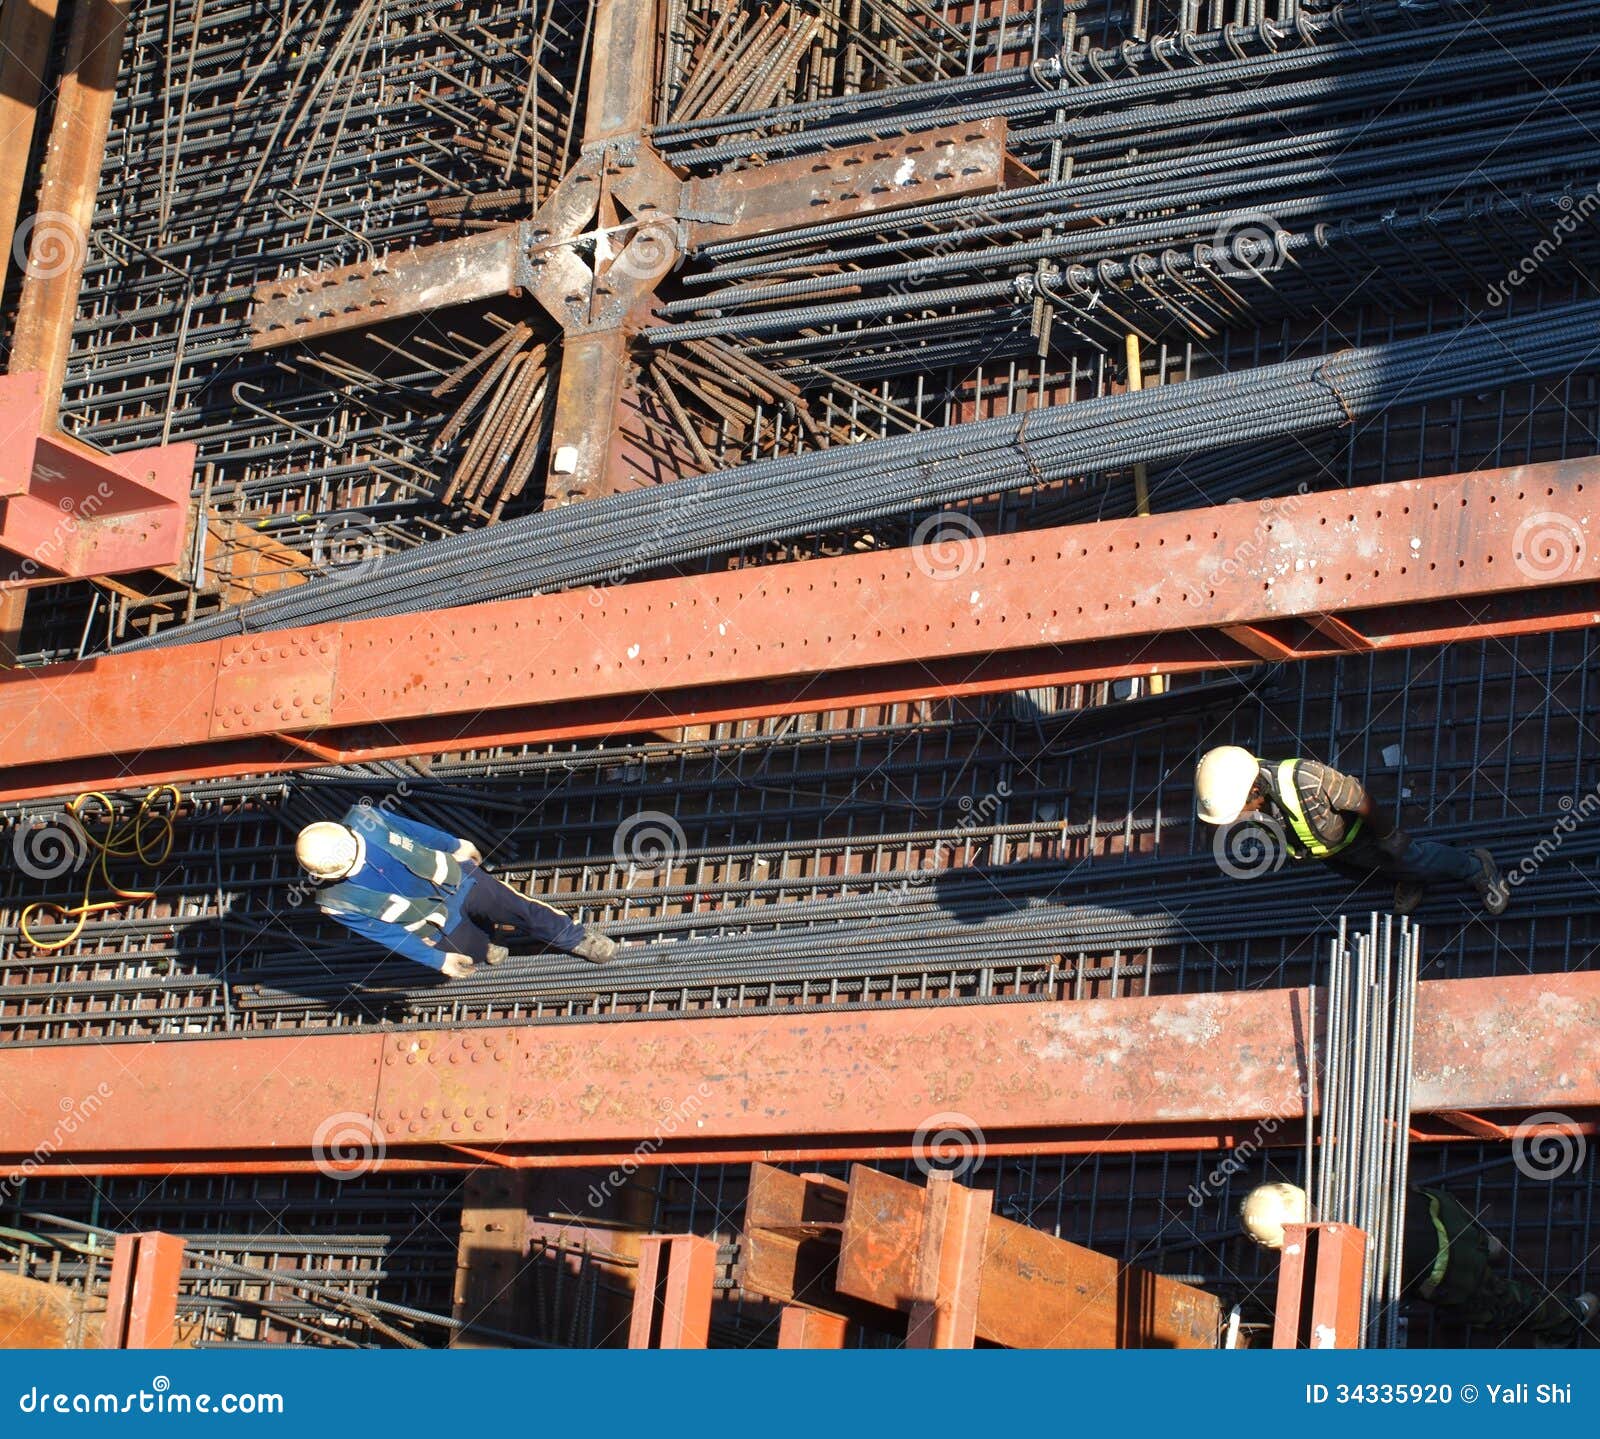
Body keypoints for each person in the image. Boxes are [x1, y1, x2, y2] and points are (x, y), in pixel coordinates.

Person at [1242, 1182, 1598, 1345]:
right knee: (1464, 1235)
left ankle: (1574, 1314)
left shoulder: (1330, 1269)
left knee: (1502, 1305)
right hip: (1444, 1213)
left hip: (1449, 1271)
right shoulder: (1341, 1177)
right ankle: (1490, 1246)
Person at [294, 805, 616, 978]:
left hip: (462, 881)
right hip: (437, 923)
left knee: (521, 909)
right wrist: (438, 961)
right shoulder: (338, 903)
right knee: (474, 951)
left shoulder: (366, 819)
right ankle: (488, 943)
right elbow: (390, 936)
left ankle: (576, 938)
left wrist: (457, 845)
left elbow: (415, 832)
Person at [1194, 745, 1505, 915]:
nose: (1238, 817)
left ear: (1254, 791)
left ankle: (1476, 867)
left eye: (1239, 809)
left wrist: (1387, 836)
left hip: (1361, 837)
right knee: (1373, 875)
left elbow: (1360, 799)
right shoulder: (1249, 794)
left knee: (1414, 859)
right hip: (1329, 852)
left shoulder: (1307, 779)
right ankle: (1409, 881)